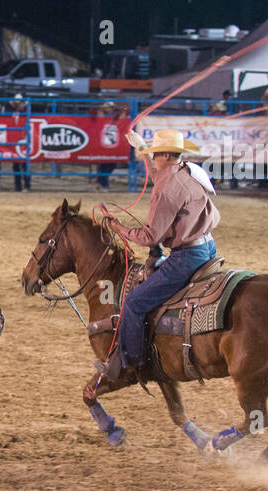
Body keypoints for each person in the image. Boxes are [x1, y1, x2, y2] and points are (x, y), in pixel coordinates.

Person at [94, 129, 220, 388]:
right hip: (207, 246)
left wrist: (120, 229)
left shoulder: (167, 188)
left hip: (187, 256)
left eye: (154, 154)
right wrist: (140, 148)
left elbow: (151, 236)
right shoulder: (189, 170)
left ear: (164, 155)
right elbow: (158, 174)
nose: (154, 159)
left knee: (134, 303)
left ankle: (132, 364)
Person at [7, 96, 30, 191]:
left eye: (19, 103)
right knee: (16, 165)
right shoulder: (13, 113)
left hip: (23, 141)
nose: (18, 105)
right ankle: (18, 186)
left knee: (25, 165)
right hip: (15, 141)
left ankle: (26, 186)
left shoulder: (25, 113)